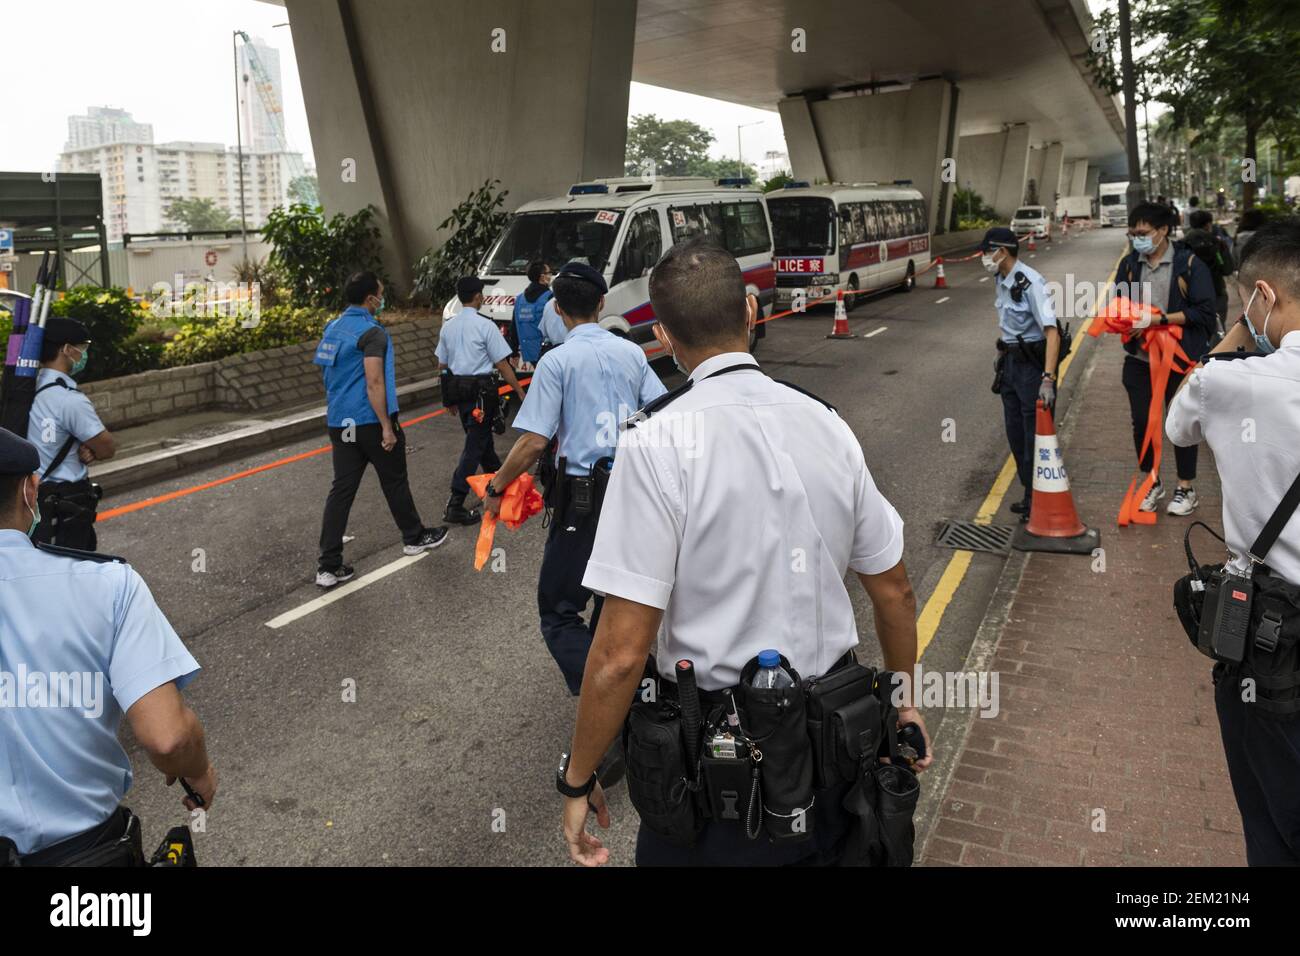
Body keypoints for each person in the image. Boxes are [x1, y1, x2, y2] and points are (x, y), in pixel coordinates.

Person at [556, 237, 931, 866]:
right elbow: (894, 590)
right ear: (753, 312)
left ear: (665, 340)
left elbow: (620, 654)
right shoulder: (829, 425)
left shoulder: (655, 443)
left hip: (717, 789)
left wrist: (578, 776)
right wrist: (906, 702)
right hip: (836, 764)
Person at [0, 426, 216, 865]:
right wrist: (199, 772)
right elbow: (169, 737)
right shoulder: (108, 585)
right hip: (83, 858)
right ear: (30, 490)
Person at [1166, 217, 1300, 864]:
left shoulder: (1230, 384)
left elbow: (1178, 427)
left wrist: (1239, 330)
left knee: (1272, 825)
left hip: (1274, 648)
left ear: (1264, 296)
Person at [485, 261, 664, 698]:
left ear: (558, 309)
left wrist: (495, 488)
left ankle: (611, 698)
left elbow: (532, 443)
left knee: (559, 608)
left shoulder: (556, 362)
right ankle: (634, 683)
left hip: (582, 500)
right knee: (612, 594)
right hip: (632, 494)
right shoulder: (631, 353)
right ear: (602, 304)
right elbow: (662, 414)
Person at [314, 271, 447, 588]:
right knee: (394, 481)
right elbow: (374, 381)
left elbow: (326, 372)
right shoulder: (372, 333)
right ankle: (414, 538)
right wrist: (387, 426)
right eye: (381, 294)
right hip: (369, 420)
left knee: (341, 490)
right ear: (370, 299)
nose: (382, 299)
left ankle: (328, 566)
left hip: (340, 421)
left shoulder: (331, 329)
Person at [1113, 201, 1217, 517]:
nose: (1137, 238)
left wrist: (1158, 321)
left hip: (1180, 359)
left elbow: (1204, 313)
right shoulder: (1131, 264)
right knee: (1143, 422)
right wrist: (1124, 321)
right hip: (1140, 360)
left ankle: (1185, 488)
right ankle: (1152, 481)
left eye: (1142, 232)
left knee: (1180, 422)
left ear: (1162, 231)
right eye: (1132, 233)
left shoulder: (1189, 265)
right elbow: (1119, 303)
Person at [983, 227, 1061, 521]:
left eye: (986, 251)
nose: (983, 257)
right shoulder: (1001, 279)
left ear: (1001, 251)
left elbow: (1052, 333)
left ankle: (1038, 499)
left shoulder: (1030, 282)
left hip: (1032, 369)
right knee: (1015, 434)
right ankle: (1029, 491)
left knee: (1034, 437)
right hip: (1010, 365)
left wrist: (1048, 379)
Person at [437, 276, 527, 525]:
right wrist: (519, 391)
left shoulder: (448, 327)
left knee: (483, 444)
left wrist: (448, 399)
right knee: (475, 447)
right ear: (478, 297)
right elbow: (502, 363)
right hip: (481, 394)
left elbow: (442, 366)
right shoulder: (485, 326)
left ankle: (502, 488)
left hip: (460, 392)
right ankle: (455, 503)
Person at [27, 317, 116, 550]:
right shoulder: (68, 399)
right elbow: (107, 448)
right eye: (82, 348)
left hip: (31, 502)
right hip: (65, 504)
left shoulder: (28, 389)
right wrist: (91, 448)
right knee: (73, 569)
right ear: (66, 349)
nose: (84, 354)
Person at [1184, 208, 1235, 332]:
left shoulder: (1181, 245)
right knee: (1216, 329)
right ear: (1208, 224)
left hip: (1189, 294)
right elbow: (1228, 269)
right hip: (1216, 291)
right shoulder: (1217, 243)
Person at [511, 259, 554, 367]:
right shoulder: (550, 297)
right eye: (549, 273)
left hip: (529, 353)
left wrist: (514, 352)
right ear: (542, 277)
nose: (551, 276)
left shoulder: (520, 299)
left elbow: (514, 327)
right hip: (548, 351)